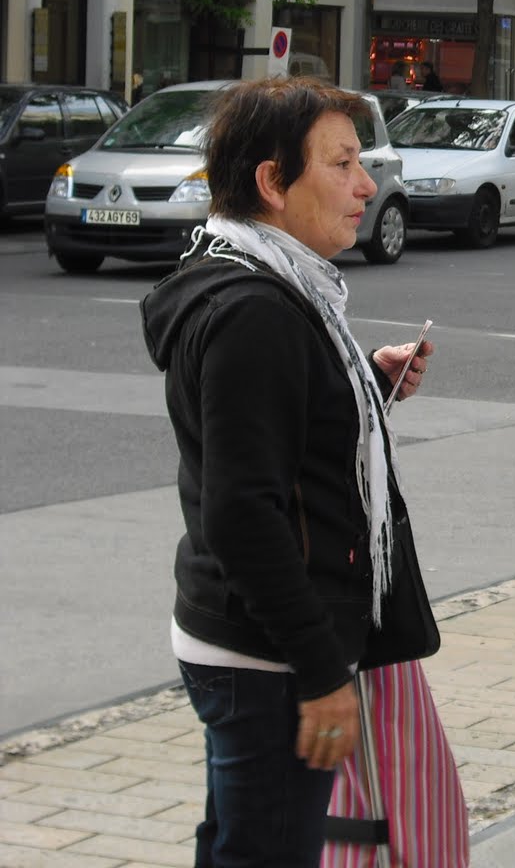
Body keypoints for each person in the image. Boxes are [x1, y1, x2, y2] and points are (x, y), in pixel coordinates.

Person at [141, 78, 438, 867]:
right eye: (341, 164)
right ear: (272, 182)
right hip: (265, 654)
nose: (366, 185)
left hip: (250, 641)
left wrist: (364, 387)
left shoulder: (270, 284)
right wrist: (317, 669)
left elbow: (277, 440)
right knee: (266, 851)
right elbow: (241, 511)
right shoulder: (256, 311)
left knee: (241, 842)